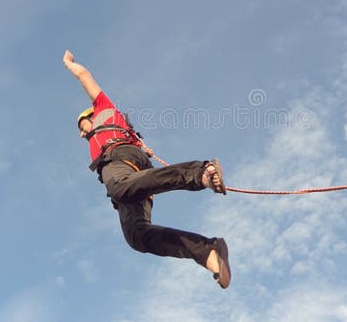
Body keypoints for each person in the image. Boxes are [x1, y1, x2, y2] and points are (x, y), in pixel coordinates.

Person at [63, 50, 231, 288]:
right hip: (130, 179)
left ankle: (201, 172)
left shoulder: (103, 108)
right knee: (137, 237)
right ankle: (208, 252)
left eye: (82, 124)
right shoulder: (100, 141)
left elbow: (84, 75)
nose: (82, 133)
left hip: (121, 159)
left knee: (119, 187)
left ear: (93, 114)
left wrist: (69, 64)